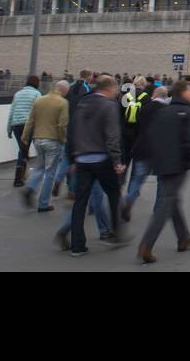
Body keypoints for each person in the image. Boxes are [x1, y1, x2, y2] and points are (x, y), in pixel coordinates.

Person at [136, 80, 190, 263]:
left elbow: (152, 135)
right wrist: (188, 162)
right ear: (183, 93)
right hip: (178, 164)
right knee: (166, 203)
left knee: (172, 199)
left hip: (162, 162)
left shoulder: (163, 112)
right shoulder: (188, 112)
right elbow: (189, 141)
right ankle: (146, 244)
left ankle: (184, 237)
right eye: (189, 91)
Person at [65, 74, 125, 256]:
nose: (116, 92)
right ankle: (115, 234)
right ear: (108, 88)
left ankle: (77, 245)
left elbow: (72, 130)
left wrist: (72, 159)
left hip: (82, 158)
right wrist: (117, 160)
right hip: (102, 158)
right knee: (114, 193)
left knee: (80, 202)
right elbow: (112, 135)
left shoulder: (82, 104)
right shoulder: (109, 106)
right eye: (115, 89)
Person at [20, 79, 69, 212]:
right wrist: (63, 139)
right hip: (53, 140)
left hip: (38, 139)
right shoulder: (63, 103)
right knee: (49, 173)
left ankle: (30, 188)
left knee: (39, 168)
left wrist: (24, 137)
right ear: (64, 90)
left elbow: (30, 120)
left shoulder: (40, 100)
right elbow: (62, 124)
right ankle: (43, 203)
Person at [121, 85, 167, 221]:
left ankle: (129, 198)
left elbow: (137, 127)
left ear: (154, 95)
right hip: (159, 150)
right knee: (162, 181)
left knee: (137, 178)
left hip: (142, 147)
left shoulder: (145, 108)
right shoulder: (166, 110)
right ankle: (158, 209)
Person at [6, 75, 42, 187]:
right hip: (29, 125)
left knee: (22, 149)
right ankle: (20, 177)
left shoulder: (18, 94)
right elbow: (39, 112)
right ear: (37, 84)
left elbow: (11, 111)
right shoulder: (37, 94)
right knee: (24, 150)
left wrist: (9, 129)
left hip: (16, 125)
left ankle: (20, 176)